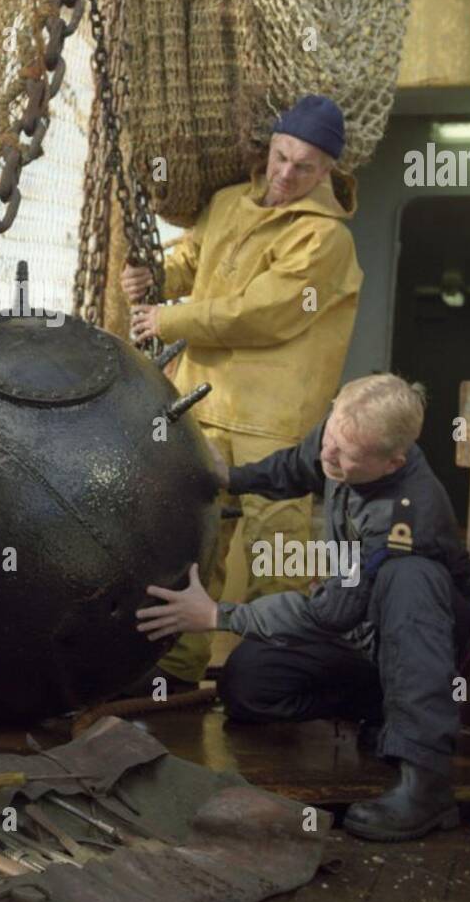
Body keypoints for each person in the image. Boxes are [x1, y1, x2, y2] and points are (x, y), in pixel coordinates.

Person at [136, 374, 470, 842]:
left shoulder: (402, 518)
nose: (328, 458)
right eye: (330, 439)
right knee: (249, 683)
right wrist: (232, 478)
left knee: (410, 576)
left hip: (419, 643)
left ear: (392, 461)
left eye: (345, 456)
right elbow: (298, 466)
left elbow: (329, 614)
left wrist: (219, 616)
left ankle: (426, 782)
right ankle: (380, 710)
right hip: (361, 632)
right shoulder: (343, 437)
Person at [123, 94, 362, 692]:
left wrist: (169, 320)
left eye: (304, 167)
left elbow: (266, 314)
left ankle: (270, 678)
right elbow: (191, 260)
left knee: (274, 555)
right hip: (203, 408)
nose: (286, 174)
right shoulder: (228, 204)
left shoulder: (326, 241)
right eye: (281, 157)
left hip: (274, 426)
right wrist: (155, 276)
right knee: (195, 542)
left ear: (327, 171)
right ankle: (175, 672)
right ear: (270, 147)